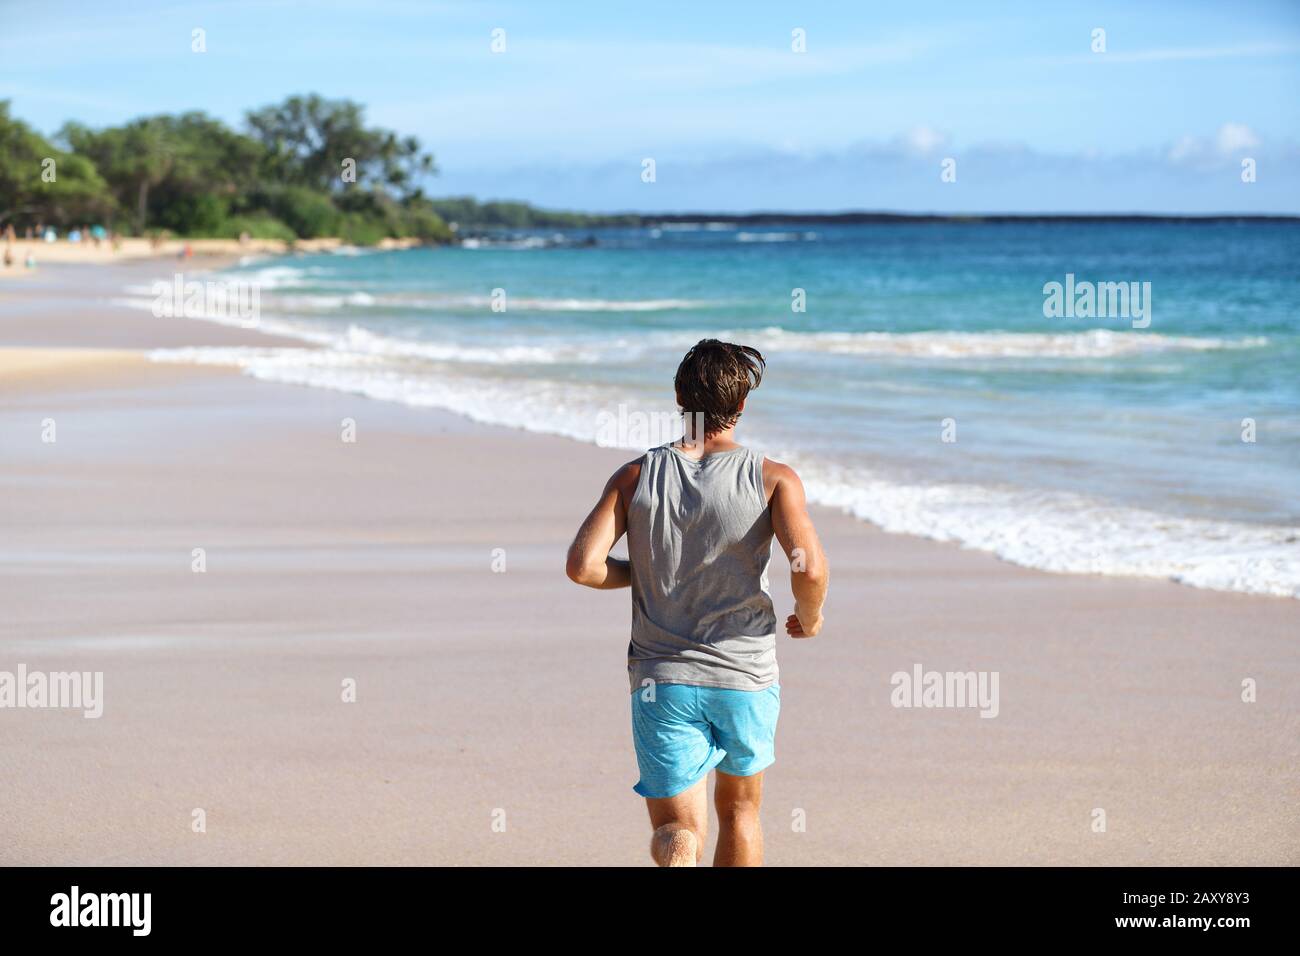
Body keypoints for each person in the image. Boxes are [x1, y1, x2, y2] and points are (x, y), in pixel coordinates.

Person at [566, 339, 829, 867]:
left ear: (679, 398)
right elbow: (811, 567)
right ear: (743, 405)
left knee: (675, 825)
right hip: (745, 675)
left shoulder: (636, 476)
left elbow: (583, 567)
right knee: (740, 812)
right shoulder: (774, 478)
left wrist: (643, 573)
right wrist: (811, 615)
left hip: (662, 678)